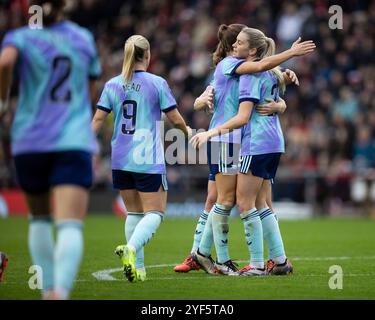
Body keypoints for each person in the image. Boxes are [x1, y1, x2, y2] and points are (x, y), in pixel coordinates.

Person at [177, 24, 314, 275]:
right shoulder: (232, 65)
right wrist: (288, 61)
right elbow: (259, 70)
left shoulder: (249, 71)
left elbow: (262, 78)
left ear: (250, 48)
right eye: (235, 42)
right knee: (224, 199)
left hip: (242, 138)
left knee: (239, 200)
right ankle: (210, 256)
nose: (235, 46)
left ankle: (219, 258)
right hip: (229, 139)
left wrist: (281, 94)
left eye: (240, 42)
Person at [0, 0, 101, 299]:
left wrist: (3, 102)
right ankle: (61, 292)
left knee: (40, 219)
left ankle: (46, 289)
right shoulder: (82, 37)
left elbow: (5, 63)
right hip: (72, 138)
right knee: (70, 223)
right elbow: (90, 83)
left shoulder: (21, 37)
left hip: (30, 141)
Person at [92, 35, 190, 283]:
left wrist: (84, 147)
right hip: (147, 157)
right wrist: (189, 134)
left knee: (134, 214)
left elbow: (97, 121)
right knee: (155, 213)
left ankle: (140, 269)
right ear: (147, 55)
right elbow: (176, 119)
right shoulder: (156, 83)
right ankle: (132, 249)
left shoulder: (113, 84)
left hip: (120, 158)